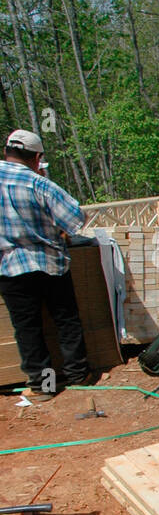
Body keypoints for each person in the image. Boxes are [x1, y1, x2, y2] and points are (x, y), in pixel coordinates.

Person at [0, 129, 89, 402]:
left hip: (10, 266)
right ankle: (78, 376)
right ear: (37, 158)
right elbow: (75, 218)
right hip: (49, 262)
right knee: (65, 320)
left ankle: (44, 386)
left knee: (28, 328)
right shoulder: (39, 184)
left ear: (7, 152)